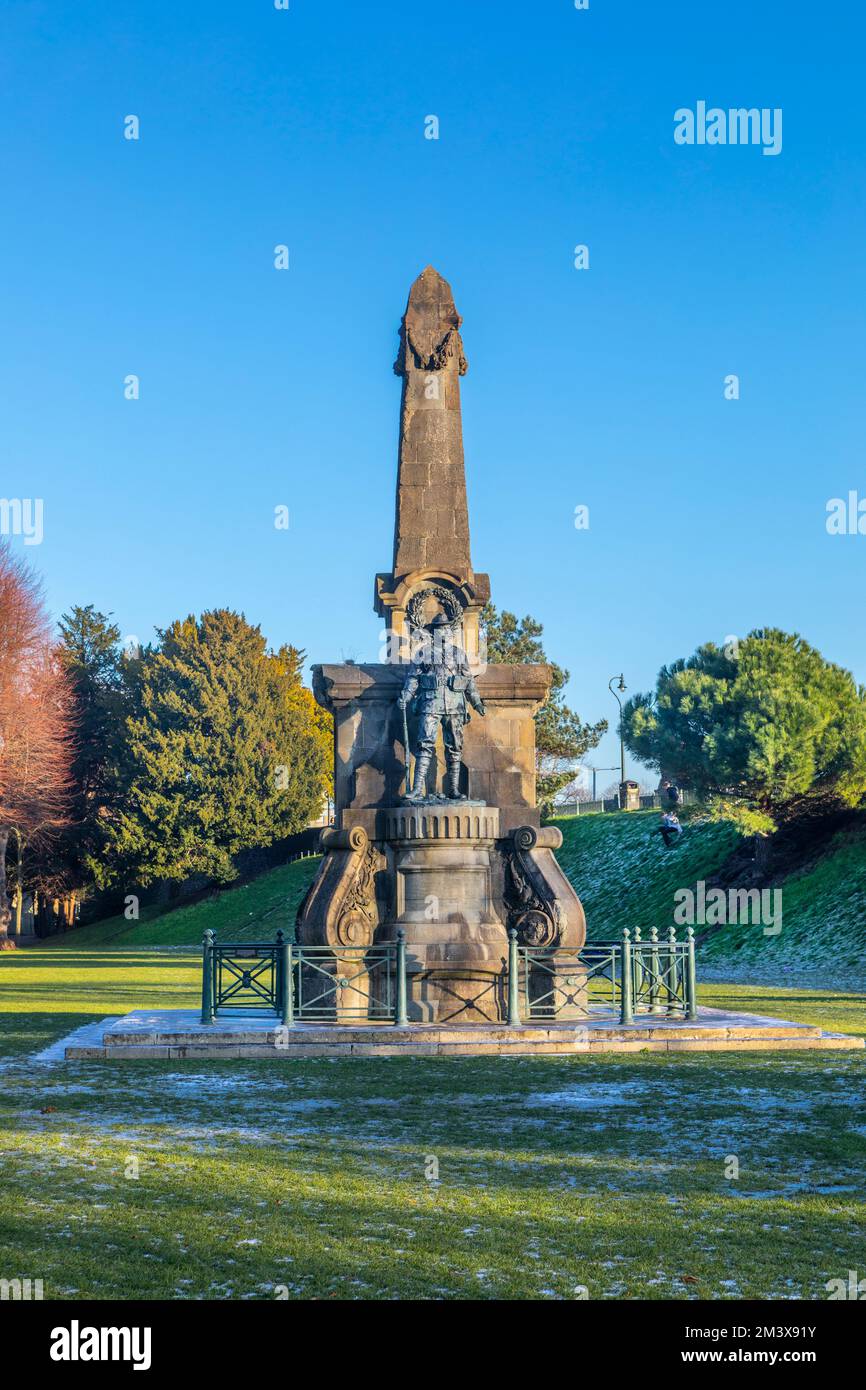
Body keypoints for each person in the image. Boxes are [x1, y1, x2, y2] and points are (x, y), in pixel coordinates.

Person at [397, 613, 485, 802]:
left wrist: (476, 702)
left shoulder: (459, 654)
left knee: (454, 747)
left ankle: (453, 789)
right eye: (438, 629)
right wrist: (405, 695)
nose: (442, 632)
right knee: (424, 744)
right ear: (433, 633)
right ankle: (417, 789)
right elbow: (413, 678)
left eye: (445, 628)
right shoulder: (423, 653)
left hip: (455, 704)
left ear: (450, 631)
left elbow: (469, 680)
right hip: (430, 703)